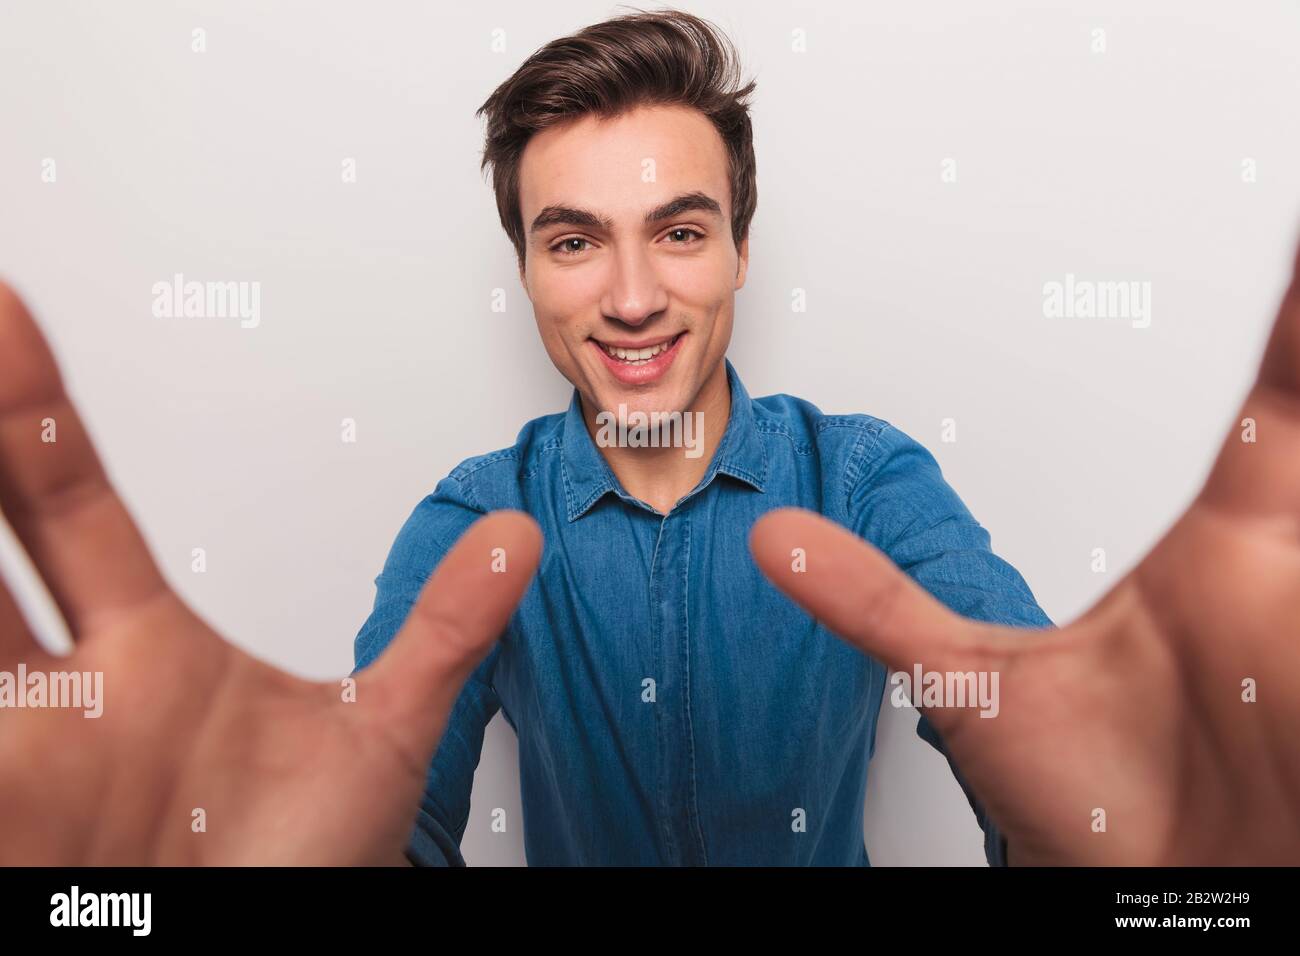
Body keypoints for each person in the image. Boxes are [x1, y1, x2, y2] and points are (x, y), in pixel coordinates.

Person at [1, 10, 1297, 866]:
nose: (630, 296)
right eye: (574, 241)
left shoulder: (869, 481)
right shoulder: (473, 526)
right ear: (525, 268)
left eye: (679, 230)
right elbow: (387, 822)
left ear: (741, 247)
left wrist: (1155, 879)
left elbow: (1048, 744)